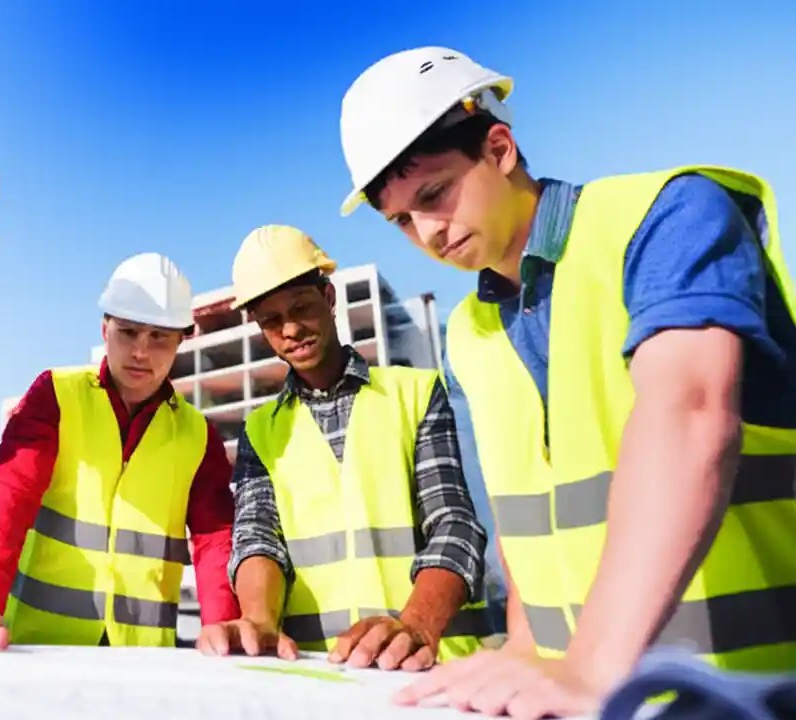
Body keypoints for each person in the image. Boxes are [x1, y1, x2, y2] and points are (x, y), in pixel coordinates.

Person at [336, 46, 796, 718]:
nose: (426, 233)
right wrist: (523, 651)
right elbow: (531, 526)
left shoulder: (668, 218)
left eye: (433, 195)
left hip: (750, 692)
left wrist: (590, 668)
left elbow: (691, 416)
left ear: (499, 148)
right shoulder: (469, 333)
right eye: (401, 220)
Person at [0, 253, 240, 650]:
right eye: (129, 332)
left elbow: (216, 535)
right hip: (38, 648)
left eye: (159, 338)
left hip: (144, 655)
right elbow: (8, 493)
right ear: (105, 329)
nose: (140, 352)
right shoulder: (56, 395)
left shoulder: (197, 434)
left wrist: (222, 621)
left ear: (183, 339)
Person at [196, 224, 492, 672]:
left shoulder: (414, 393)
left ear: (329, 299)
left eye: (301, 307)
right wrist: (257, 618)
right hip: (318, 672)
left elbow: (454, 524)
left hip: (426, 667)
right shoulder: (261, 429)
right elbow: (257, 536)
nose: (291, 329)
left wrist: (415, 625)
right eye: (272, 321)